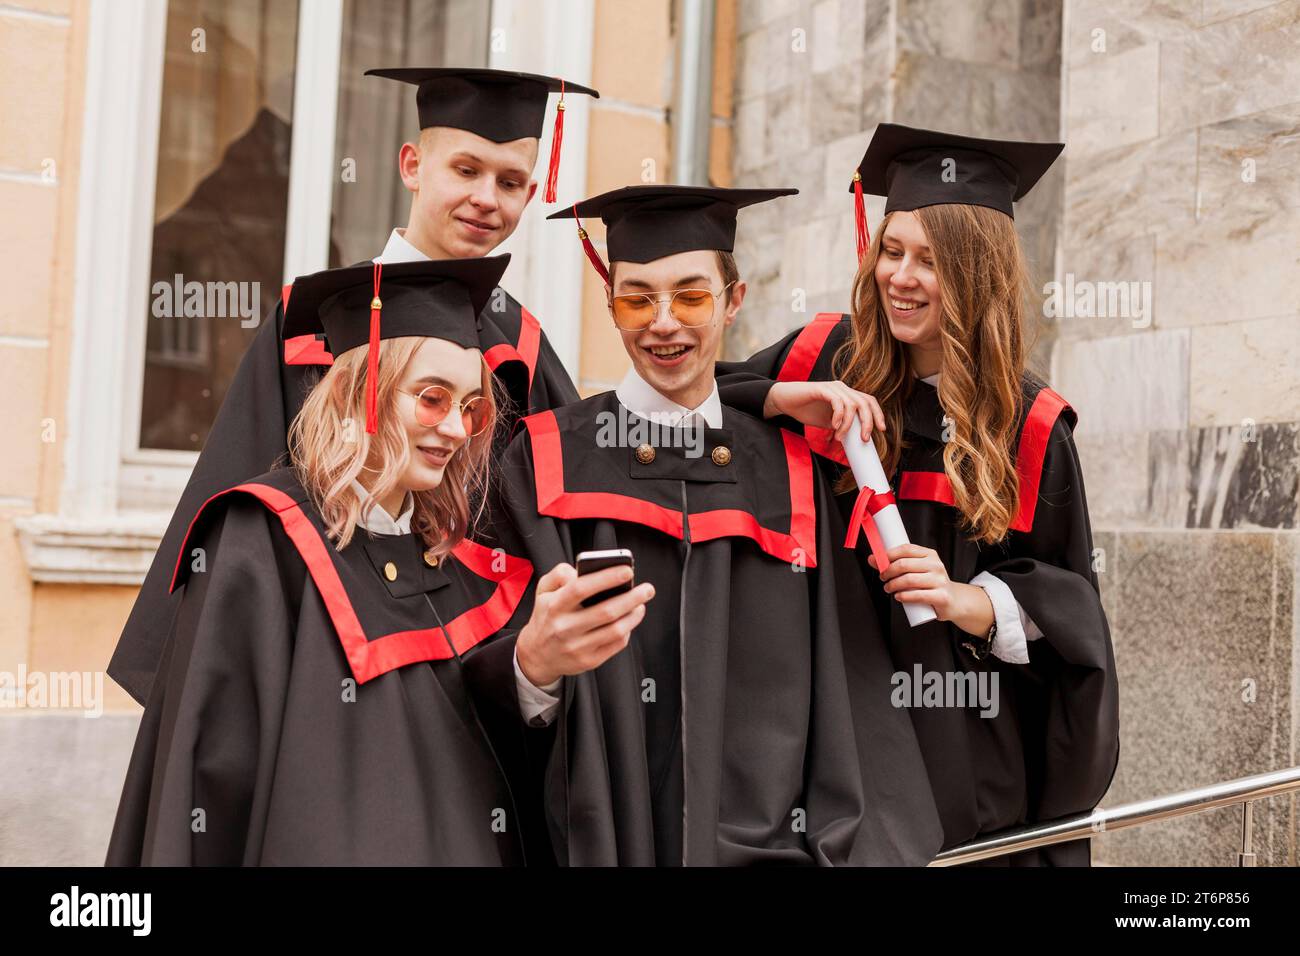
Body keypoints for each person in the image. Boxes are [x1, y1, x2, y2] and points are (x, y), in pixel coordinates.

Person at [108, 67, 598, 709]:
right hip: (321, 657)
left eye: (509, 182)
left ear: (531, 194)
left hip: (473, 680)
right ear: (412, 165)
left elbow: (563, 518)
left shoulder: (520, 347)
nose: (486, 198)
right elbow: (243, 501)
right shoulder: (314, 322)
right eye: (465, 169)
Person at [483, 185, 943, 866]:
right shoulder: (545, 460)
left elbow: (843, 703)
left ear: (734, 301)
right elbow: (482, 682)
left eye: (692, 297)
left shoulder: (789, 471)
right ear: (610, 308)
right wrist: (534, 666)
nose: (663, 323)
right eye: (637, 299)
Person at [106, 254, 615, 865]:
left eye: (472, 408)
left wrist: (534, 669)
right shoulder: (261, 540)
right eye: (433, 399)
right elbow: (210, 777)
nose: (458, 429)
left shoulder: (457, 565)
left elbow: (488, 759)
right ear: (359, 391)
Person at [715, 124, 1121, 865]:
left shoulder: (1029, 426)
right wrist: (781, 398)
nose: (899, 277)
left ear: (976, 274)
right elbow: (697, 401)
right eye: (892, 251)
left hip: (952, 744)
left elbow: (1071, 608)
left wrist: (967, 599)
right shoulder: (825, 358)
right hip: (822, 727)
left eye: (930, 261)